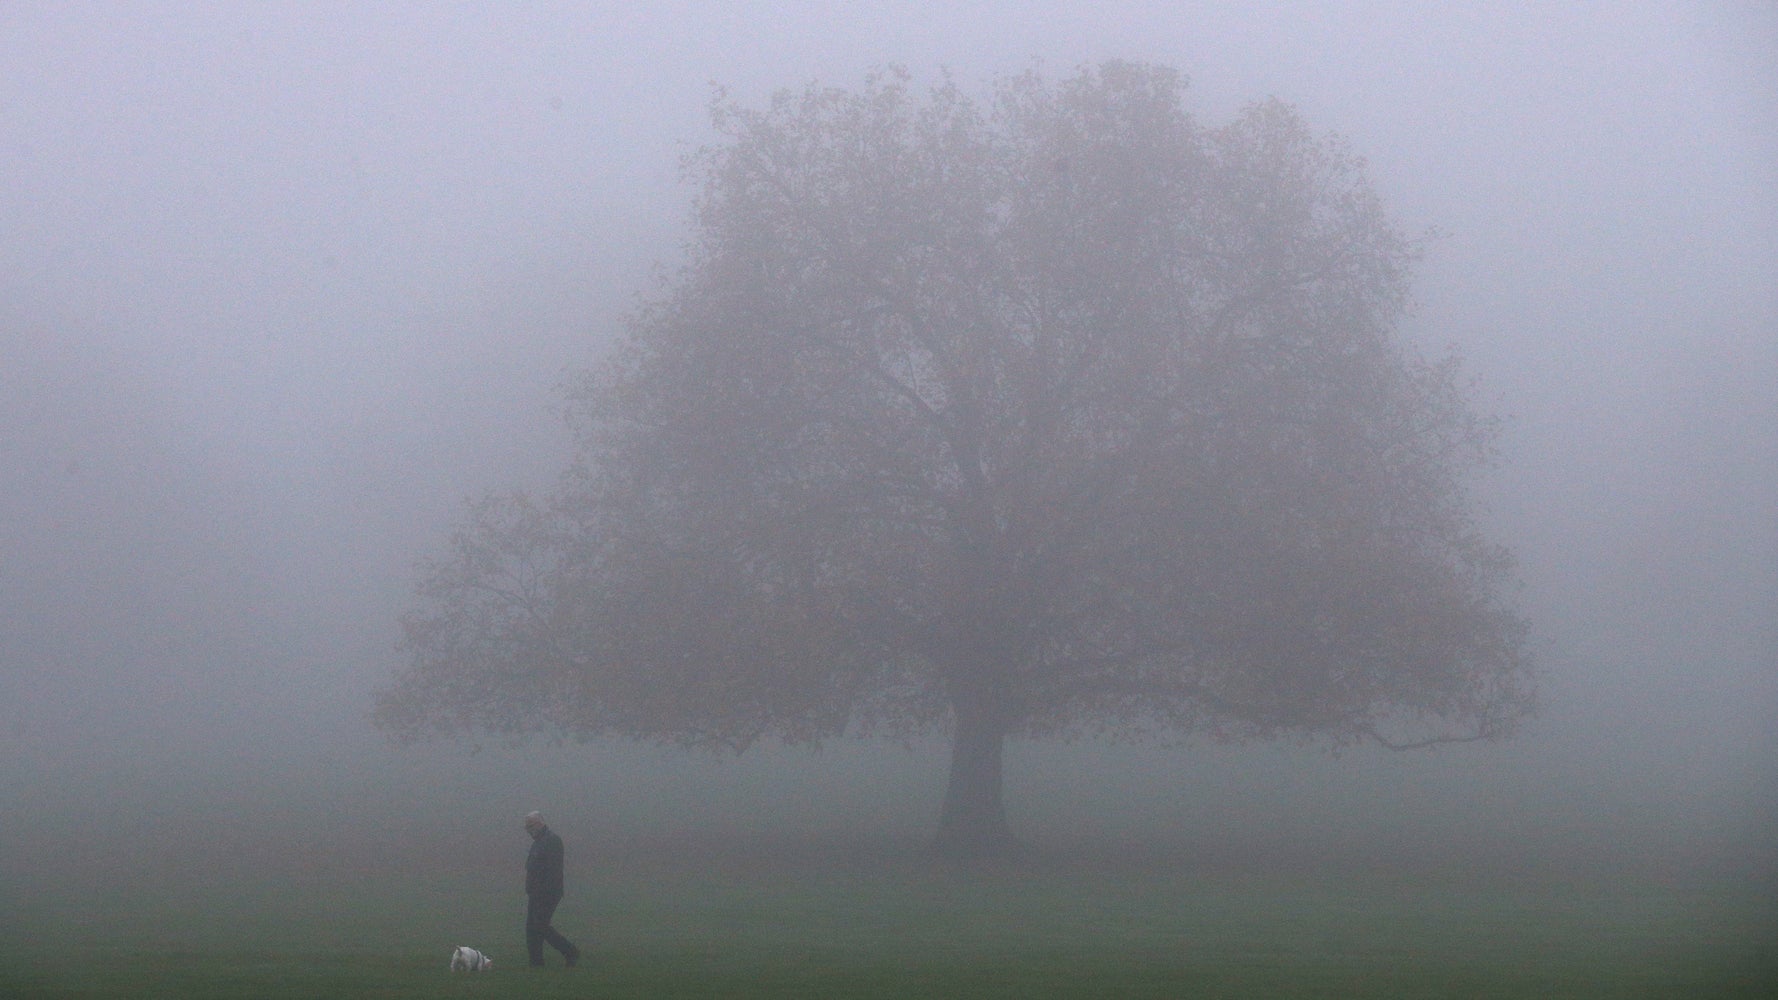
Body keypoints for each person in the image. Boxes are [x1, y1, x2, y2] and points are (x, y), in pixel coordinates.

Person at [523, 811, 581, 967]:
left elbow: (554, 870)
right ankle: (536, 963)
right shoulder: (538, 841)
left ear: (540, 823)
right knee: (531, 928)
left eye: (530, 826)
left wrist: (544, 891)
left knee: (540, 926)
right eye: (526, 827)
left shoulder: (552, 840)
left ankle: (570, 951)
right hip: (535, 892)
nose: (528, 829)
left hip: (548, 893)